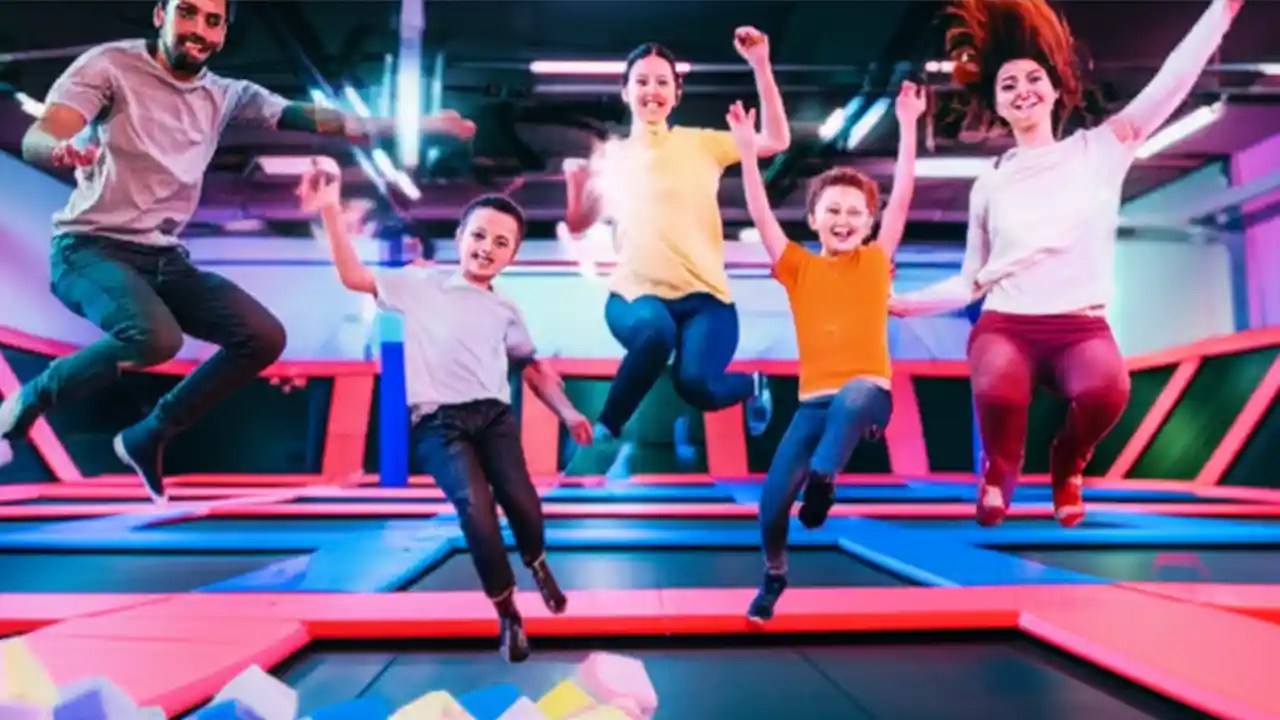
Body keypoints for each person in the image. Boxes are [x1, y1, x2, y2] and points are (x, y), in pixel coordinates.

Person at [0, 0, 474, 500]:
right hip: (88, 247)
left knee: (262, 337)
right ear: (161, 16)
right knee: (154, 338)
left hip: (161, 256)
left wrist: (417, 125)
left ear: (223, 33)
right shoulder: (109, 65)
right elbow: (43, 131)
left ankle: (149, 433)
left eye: (212, 21)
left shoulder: (226, 96)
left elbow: (326, 120)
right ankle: (25, 403)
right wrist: (58, 149)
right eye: (188, 14)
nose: (198, 30)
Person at [889, 0, 1245, 528]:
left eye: (1034, 78)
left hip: (1079, 326)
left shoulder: (1102, 149)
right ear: (997, 103)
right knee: (997, 387)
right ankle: (1000, 469)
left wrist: (1220, 12)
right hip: (1007, 324)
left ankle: (1068, 461)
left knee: (1108, 389)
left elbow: (1173, 81)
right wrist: (902, 305)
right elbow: (970, 280)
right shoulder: (990, 183)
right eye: (1008, 85)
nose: (1022, 89)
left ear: (1055, 90)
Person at [297, 160, 594, 663]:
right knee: (476, 512)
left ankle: (538, 563)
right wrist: (329, 211)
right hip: (438, 424)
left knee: (523, 503)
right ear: (460, 237)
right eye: (479, 236)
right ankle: (508, 616)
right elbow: (352, 275)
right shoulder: (417, 284)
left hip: (494, 419)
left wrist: (566, 412)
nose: (487, 249)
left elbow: (532, 368)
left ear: (513, 255)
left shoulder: (507, 310)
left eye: (502, 244)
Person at [726, 82, 927, 624]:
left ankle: (823, 481)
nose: (844, 219)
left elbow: (904, 195)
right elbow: (759, 209)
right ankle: (774, 574)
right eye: (832, 210)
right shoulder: (798, 268)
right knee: (770, 506)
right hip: (814, 407)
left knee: (858, 391)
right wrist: (747, 149)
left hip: (870, 401)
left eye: (856, 213)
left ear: (868, 223)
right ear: (813, 218)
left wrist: (908, 123)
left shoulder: (875, 261)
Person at [560, 28, 792, 480]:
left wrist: (761, 65)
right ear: (626, 92)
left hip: (706, 299)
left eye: (662, 82)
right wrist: (577, 182)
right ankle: (604, 434)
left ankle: (752, 385)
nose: (652, 91)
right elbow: (579, 223)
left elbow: (777, 140)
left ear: (676, 93)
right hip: (635, 294)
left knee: (698, 386)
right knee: (654, 334)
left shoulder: (701, 143)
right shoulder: (611, 156)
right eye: (642, 81)